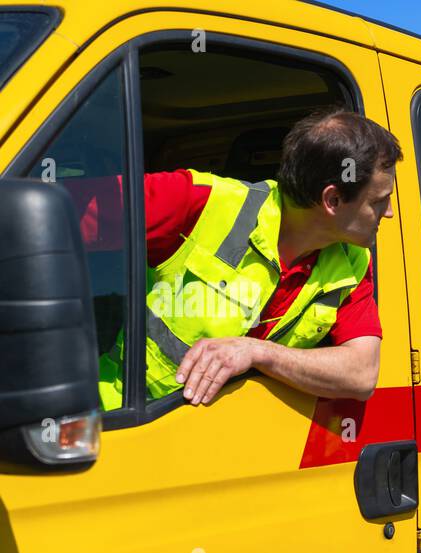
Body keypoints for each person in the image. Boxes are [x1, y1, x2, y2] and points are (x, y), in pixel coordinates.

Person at [77, 107, 401, 409]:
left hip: (221, 454)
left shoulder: (353, 259)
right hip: (116, 427)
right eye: (378, 201)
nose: (387, 213)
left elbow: (361, 374)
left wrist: (257, 353)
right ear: (332, 199)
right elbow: (50, 214)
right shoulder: (198, 201)